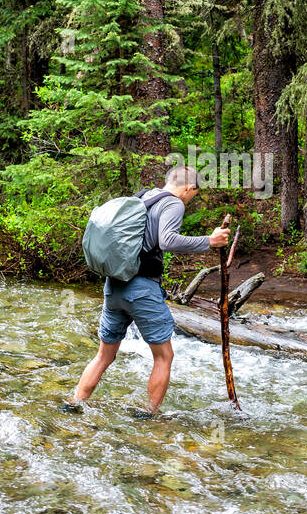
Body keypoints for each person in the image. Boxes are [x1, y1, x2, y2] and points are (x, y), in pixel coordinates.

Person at [69, 166, 229, 414]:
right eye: (193, 194)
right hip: (142, 288)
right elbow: (168, 240)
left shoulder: (142, 197)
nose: (190, 199)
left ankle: (75, 402)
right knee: (164, 356)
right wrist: (210, 241)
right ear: (188, 187)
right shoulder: (174, 204)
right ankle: (148, 414)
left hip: (114, 286)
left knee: (104, 355)